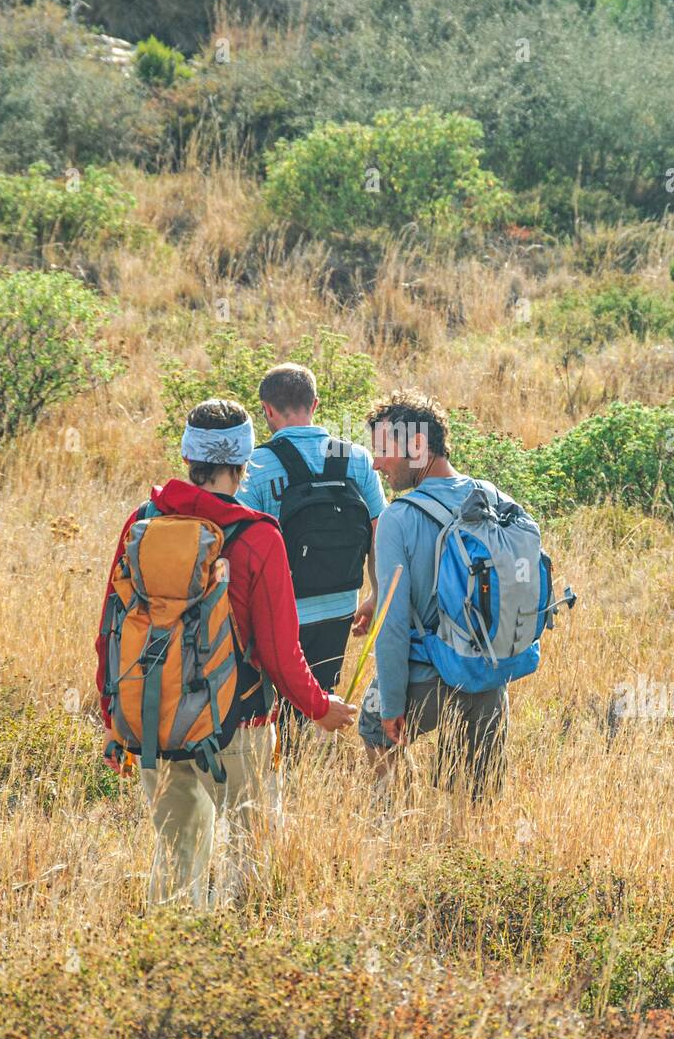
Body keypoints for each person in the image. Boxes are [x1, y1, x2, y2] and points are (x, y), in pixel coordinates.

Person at [95, 397, 355, 908]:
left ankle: (169, 965)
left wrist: (114, 720)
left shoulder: (141, 522)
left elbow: (110, 630)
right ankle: (239, 966)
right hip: (239, 725)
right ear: (245, 460)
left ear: (189, 455)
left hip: (156, 720)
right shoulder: (258, 536)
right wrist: (320, 709)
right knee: (255, 854)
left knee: (176, 854)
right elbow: (281, 653)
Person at [360, 389, 513, 799]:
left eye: (382, 450)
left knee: (374, 725)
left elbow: (392, 626)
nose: (376, 463)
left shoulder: (398, 517)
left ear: (417, 445)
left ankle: (396, 819)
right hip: (490, 672)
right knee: (474, 798)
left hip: (430, 676)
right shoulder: (494, 498)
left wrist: (392, 705)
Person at [235, 363, 386, 759]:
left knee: (277, 707)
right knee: (320, 695)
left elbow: (241, 545)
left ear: (267, 410)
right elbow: (380, 533)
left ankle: (286, 775)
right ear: (314, 404)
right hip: (341, 606)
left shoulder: (254, 466)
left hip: (280, 613)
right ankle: (312, 769)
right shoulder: (355, 456)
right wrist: (374, 593)